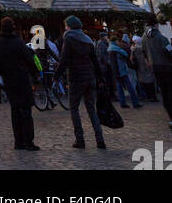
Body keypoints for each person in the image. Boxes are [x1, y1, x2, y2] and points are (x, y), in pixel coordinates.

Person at [55, 15, 106, 150]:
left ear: (69, 26)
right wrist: (100, 78)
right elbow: (95, 61)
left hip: (76, 77)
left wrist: (56, 76)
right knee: (91, 109)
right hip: (90, 77)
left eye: (66, 25)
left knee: (74, 108)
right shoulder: (87, 39)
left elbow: (64, 59)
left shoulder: (69, 38)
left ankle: (80, 139)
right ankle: (100, 139)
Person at [0, 17, 40, 151]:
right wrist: (35, 74)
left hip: (9, 80)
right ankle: (28, 142)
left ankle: (18, 141)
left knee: (15, 111)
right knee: (26, 111)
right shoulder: (17, 42)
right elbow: (29, 59)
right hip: (21, 79)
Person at [142, 14, 172, 125]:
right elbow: (169, 52)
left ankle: (170, 117)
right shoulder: (161, 38)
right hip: (167, 67)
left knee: (164, 93)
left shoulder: (144, 37)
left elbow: (144, 52)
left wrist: (149, 61)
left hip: (155, 68)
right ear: (156, 24)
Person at [108, 31, 142, 108]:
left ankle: (122, 103)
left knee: (119, 87)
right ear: (115, 41)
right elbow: (125, 54)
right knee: (129, 87)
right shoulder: (116, 49)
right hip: (121, 70)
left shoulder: (109, 49)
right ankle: (135, 102)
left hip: (115, 71)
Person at [131, 34, 155, 102]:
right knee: (150, 81)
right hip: (146, 66)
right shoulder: (144, 48)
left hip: (140, 67)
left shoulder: (133, 49)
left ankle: (145, 96)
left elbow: (131, 58)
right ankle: (152, 96)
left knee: (142, 82)